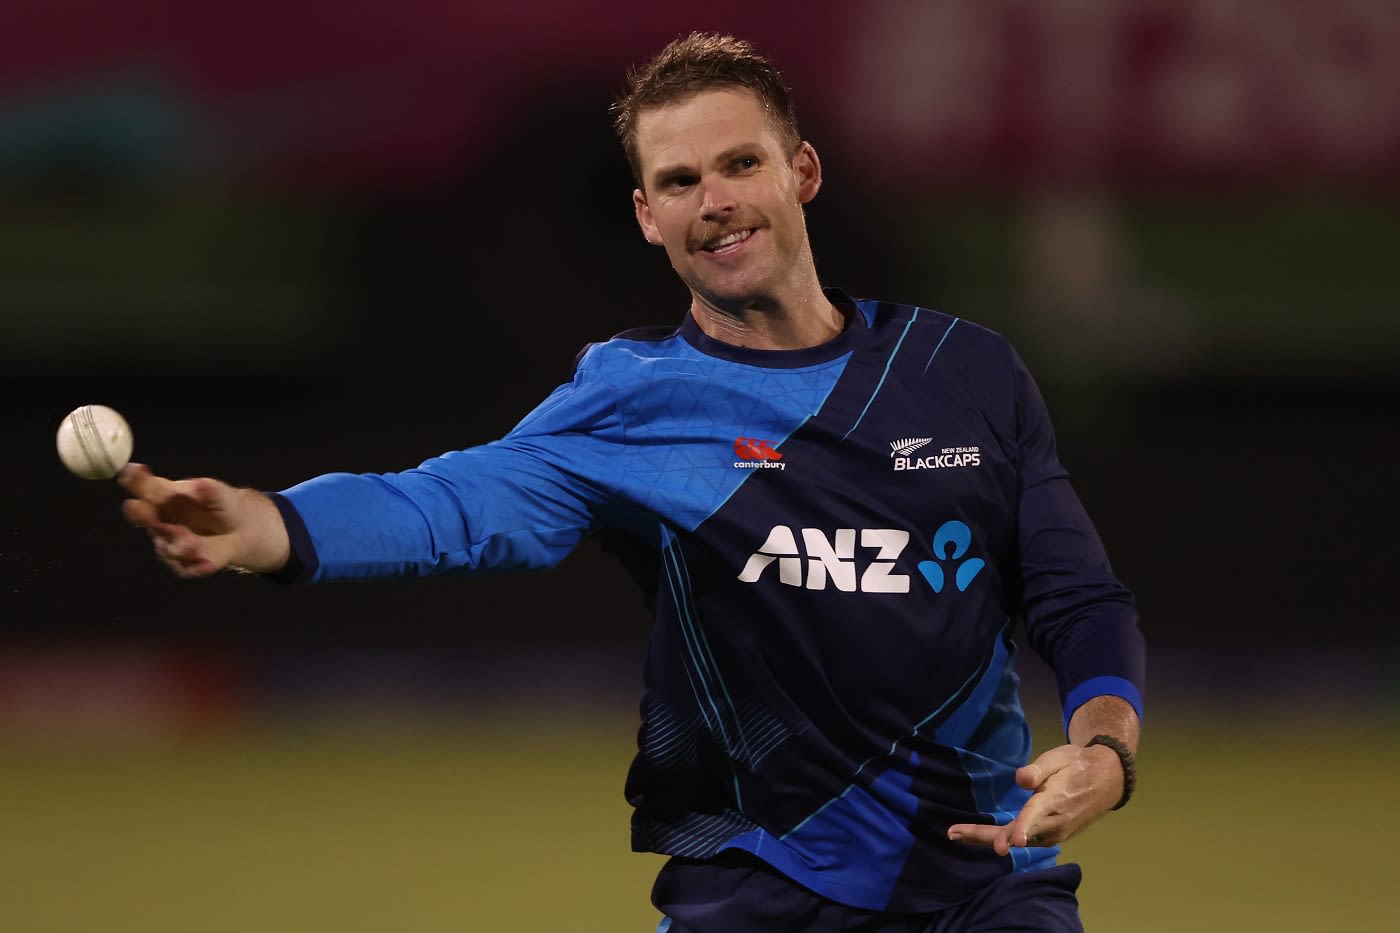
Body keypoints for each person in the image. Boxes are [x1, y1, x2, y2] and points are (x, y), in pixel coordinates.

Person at [120, 33, 1144, 933]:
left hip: (984, 884)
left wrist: (1104, 751)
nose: (716, 201)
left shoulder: (964, 372)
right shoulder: (633, 399)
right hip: (755, 891)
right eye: (679, 181)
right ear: (648, 215)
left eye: (740, 163)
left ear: (801, 171)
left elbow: (1076, 596)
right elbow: (451, 505)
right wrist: (267, 523)